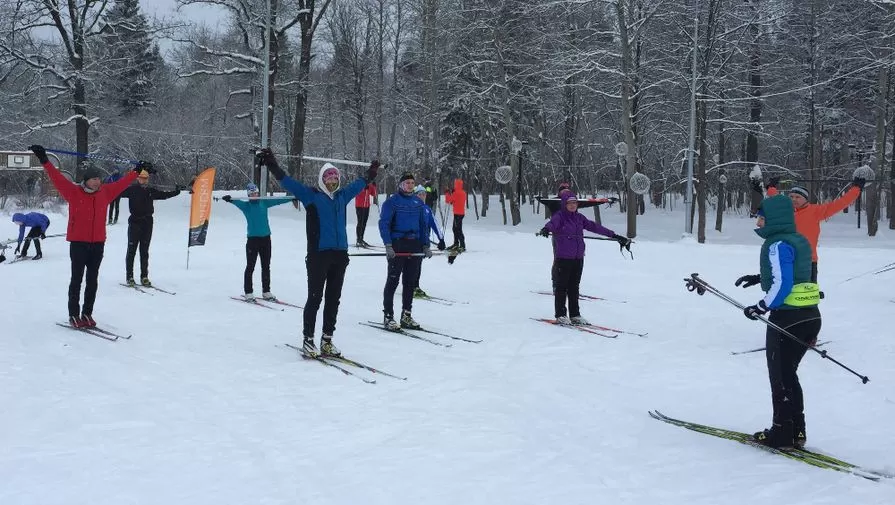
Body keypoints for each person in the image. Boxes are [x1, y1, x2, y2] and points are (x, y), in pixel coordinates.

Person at [261, 149, 379, 358]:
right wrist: (272, 166)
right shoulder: (312, 196)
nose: (332, 181)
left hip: (340, 255)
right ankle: (308, 339)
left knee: (334, 299)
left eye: (335, 177)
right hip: (318, 256)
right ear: (322, 180)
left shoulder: (343, 196)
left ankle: (327, 340)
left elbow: (360, 184)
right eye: (328, 178)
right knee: (315, 298)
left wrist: (370, 174)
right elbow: (288, 182)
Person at [735, 194, 822, 449]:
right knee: (788, 374)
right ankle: (797, 431)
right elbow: (794, 273)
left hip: (786, 318)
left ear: (772, 219)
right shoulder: (798, 240)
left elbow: (783, 285)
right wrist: (759, 278)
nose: (758, 223)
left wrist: (760, 307)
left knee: (780, 378)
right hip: (810, 315)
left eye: (761, 218)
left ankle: (782, 433)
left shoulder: (776, 244)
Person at [29, 144, 142, 328]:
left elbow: (122, 184)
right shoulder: (73, 192)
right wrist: (44, 160)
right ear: (86, 180)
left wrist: (137, 171)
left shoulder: (105, 192)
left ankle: (87, 313)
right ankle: (74, 314)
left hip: (98, 243)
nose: (97, 182)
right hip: (78, 244)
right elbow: (56, 178)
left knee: (92, 280)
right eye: (94, 179)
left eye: (99, 178)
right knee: (77, 280)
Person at [536, 192, 631, 325]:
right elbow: (551, 224)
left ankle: (575, 315)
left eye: (574, 203)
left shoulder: (580, 218)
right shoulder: (560, 217)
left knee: (574, 287)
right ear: (564, 204)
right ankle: (561, 315)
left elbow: (595, 227)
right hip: (563, 257)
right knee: (561, 287)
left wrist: (614, 235)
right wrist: (545, 229)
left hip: (578, 257)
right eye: (569, 203)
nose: (572, 205)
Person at [755, 176, 862, 282]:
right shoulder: (786, 211)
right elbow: (776, 199)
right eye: (791, 196)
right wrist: (770, 187)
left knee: (807, 295)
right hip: (786, 258)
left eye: (797, 197)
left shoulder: (815, 211)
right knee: (784, 292)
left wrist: (856, 189)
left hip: (807, 261)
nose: (794, 199)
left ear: (806, 199)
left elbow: (839, 204)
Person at [222, 183, 293, 301]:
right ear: (248, 195)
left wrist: (292, 198)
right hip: (252, 240)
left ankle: (266, 291)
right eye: (251, 194)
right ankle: (248, 292)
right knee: (250, 266)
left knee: (266, 266)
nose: (254, 195)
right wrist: (229, 199)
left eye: (256, 193)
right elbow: (236, 201)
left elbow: (278, 200)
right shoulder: (246, 206)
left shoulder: (264, 202)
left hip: (266, 239)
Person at [379, 172, 431, 331]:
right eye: (407, 182)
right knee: (393, 280)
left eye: (412, 183)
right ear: (401, 185)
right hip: (397, 244)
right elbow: (384, 224)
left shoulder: (418, 203)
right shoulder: (392, 202)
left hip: (414, 244)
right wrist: (388, 244)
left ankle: (406, 314)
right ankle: (388, 316)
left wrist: (425, 245)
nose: (410, 185)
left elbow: (423, 226)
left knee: (410, 281)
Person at [119, 170, 181, 287]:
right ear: (138, 178)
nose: (144, 180)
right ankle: (130, 276)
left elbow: (164, 195)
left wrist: (176, 192)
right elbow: (117, 191)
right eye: (142, 178)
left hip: (147, 222)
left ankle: (144, 276)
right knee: (131, 250)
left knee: (144, 251)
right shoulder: (132, 190)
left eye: (146, 178)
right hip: (135, 221)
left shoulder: (150, 191)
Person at [413, 184, 447, 298]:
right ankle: (411, 286)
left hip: (424, 242)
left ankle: (415, 286)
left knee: (418, 265)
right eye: (420, 194)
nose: (422, 196)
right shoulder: (411, 207)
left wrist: (441, 239)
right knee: (412, 265)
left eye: (424, 194)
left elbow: (435, 224)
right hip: (412, 241)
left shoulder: (427, 209)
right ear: (415, 195)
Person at [444, 178, 467, 251]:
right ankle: (457, 244)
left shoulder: (456, 193)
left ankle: (461, 245)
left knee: (457, 229)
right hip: (460, 213)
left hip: (457, 213)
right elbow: (456, 201)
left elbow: (448, 200)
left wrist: (447, 193)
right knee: (456, 229)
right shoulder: (463, 192)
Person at [354, 179, 377, 247]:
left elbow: (373, 194)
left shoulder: (369, 185)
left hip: (366, 206)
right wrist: (364, 189)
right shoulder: (360, 183)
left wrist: (374, 186)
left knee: (364, 222)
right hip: (359, 205)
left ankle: (361, 238)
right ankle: (358, 239)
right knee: (360, 222)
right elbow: (357, 192)